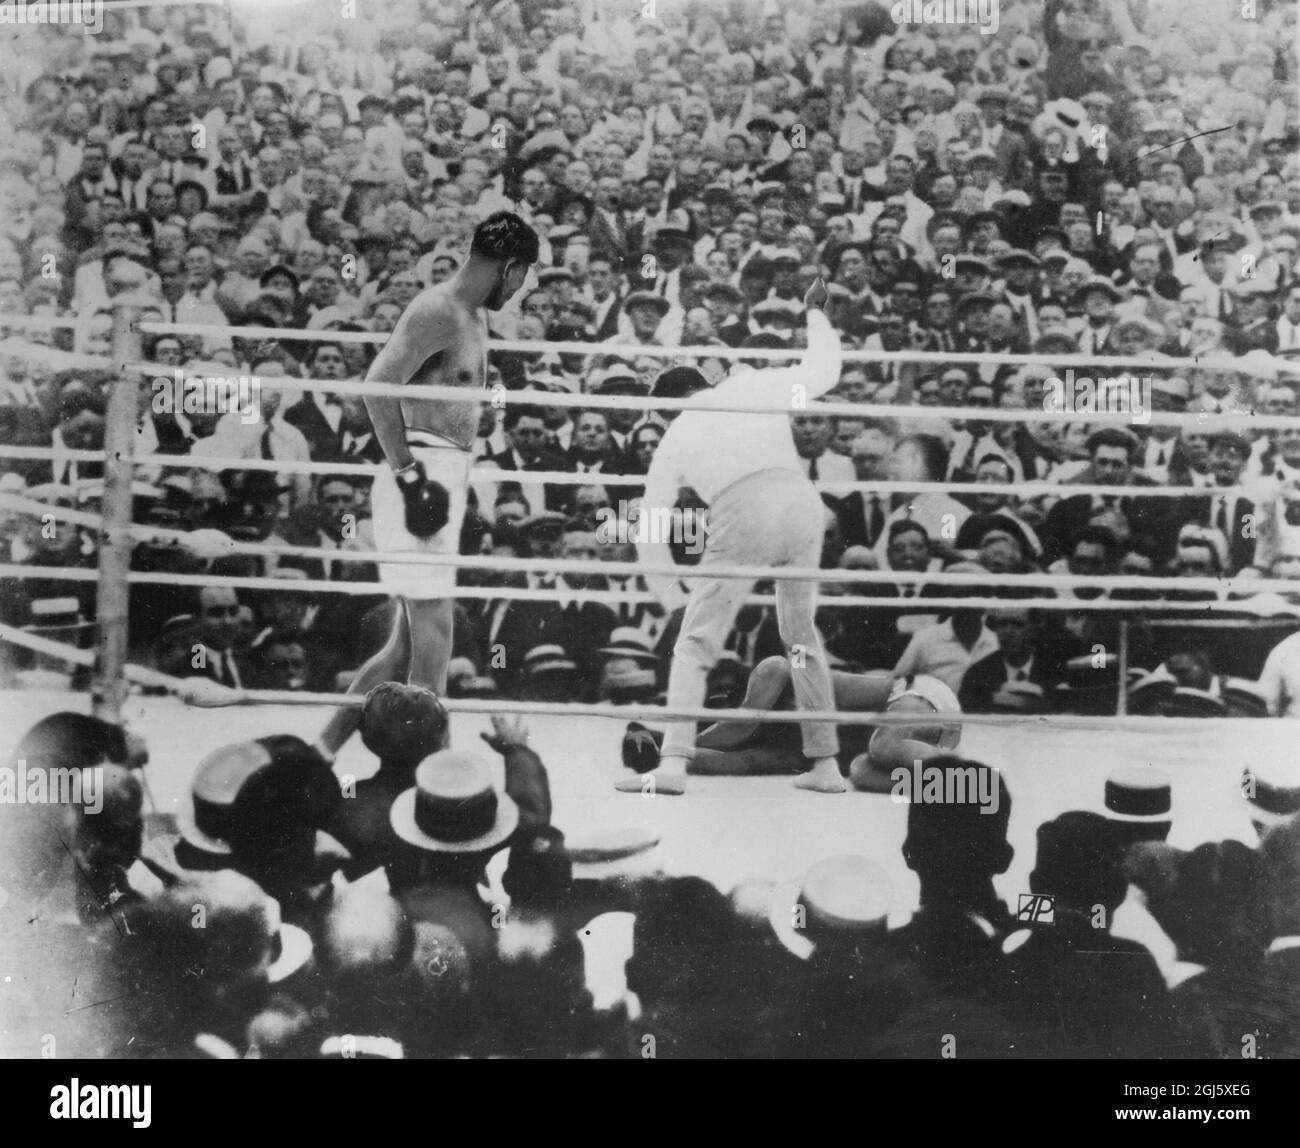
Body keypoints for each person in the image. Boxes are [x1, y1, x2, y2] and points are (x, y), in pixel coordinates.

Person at [310, 212, 539, 766]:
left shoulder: (474, 317)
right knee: (435, 628)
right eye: (522, 276)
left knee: (405, 645)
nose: (521, 289)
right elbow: (375, 387)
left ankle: (320, 751)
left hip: (445, 468)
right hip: (419, 470)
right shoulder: (436, 311)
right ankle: (434, 769)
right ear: (509, 268)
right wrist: (410, 476)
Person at [617, 277, 846, 795]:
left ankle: (673, 766)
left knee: (693, 644)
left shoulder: (673, 433)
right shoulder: (749, 386)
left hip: (745, 507)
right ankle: (826, 766)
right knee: (802, 638)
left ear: (667, 406)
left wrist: (671, 595)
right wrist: (814, 315)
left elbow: (651, 521)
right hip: (803, 502)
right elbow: (825, 371)